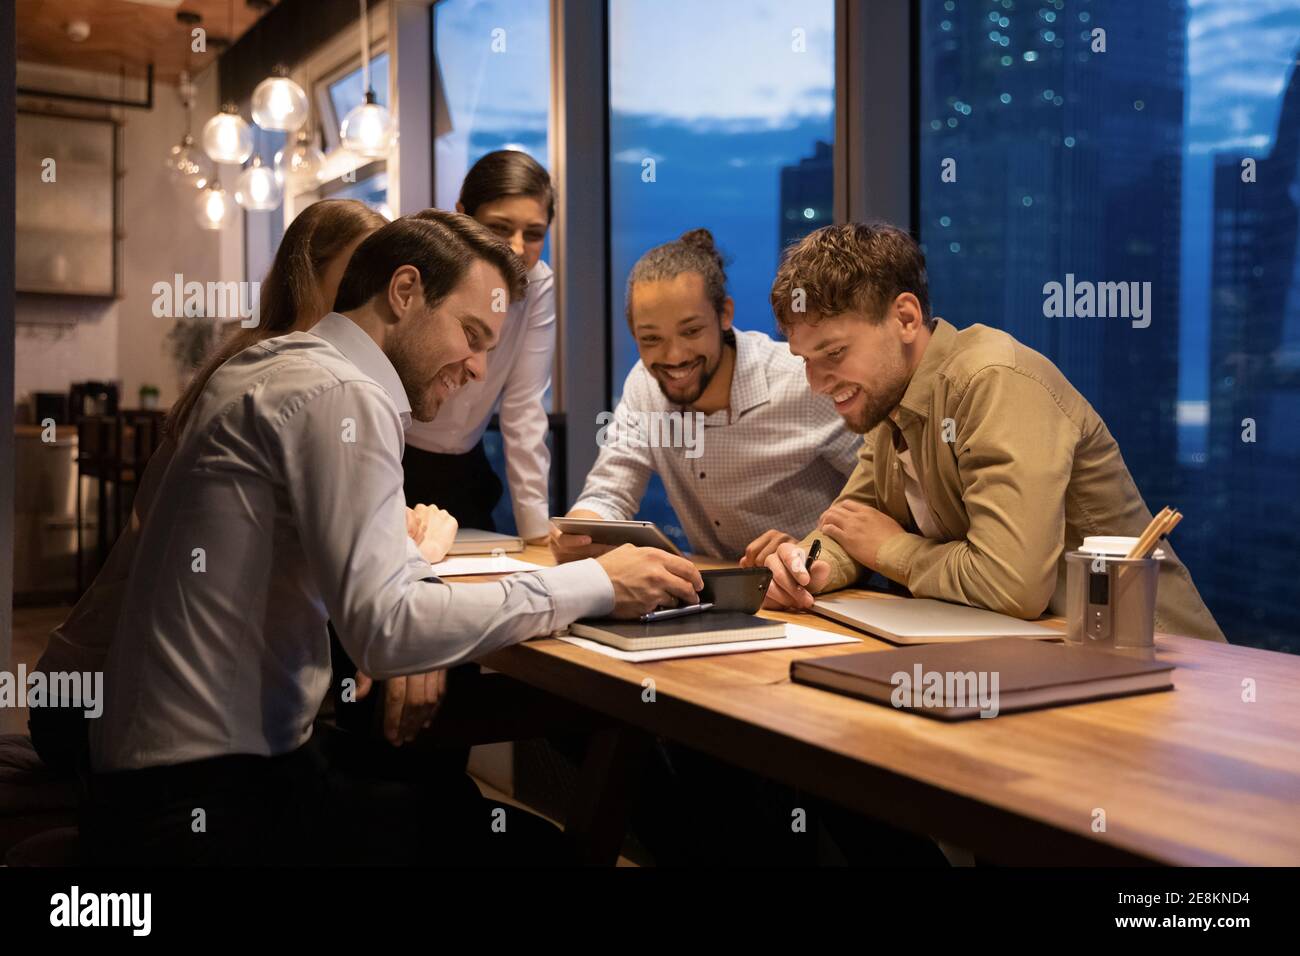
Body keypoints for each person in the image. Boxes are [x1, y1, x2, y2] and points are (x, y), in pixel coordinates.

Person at [78, 212, 704, 865]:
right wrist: (600, 583)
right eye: (471, 334)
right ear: (404, 292)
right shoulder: (340, 392)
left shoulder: (277, 368)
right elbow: (387, 628)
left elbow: (372, 585)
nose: (479, 367)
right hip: (203, 805)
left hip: (164, 779)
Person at [28, 199, 462, 775]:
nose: (377, 298)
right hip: (87, 702)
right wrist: (418, 557)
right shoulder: (288, 386)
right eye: (361, 274)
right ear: (311, 278)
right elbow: (369, 592)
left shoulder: (299, 378)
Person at [750, 221, 1225, 644]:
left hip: (1156, 664)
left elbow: (1009, 584)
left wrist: (890, 549)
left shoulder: (994, 380)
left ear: (906, 318)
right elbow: (850, 527)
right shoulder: (891, 402)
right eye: (806, 361)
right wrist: (804, 568)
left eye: (833, 354)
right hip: (1042, 655)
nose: (816, 384)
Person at [550, 228, 860, 563]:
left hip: (823, 590)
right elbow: (609, 491)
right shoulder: (644, 384)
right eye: (651, 339)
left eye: (691, 331)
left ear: (725, 314)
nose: (674, 356)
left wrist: (810, 548)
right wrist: (583, 530)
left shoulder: (805, 382)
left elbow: (879, 499)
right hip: (716, 593)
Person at [402, 150, 557, 540]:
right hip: (394, 454)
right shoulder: (423, 275)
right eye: (500, 228)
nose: (517, 248)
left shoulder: (537, 285)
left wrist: (537, 534)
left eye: (534, 233)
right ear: (462, 216)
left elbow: (523, 410)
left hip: (466, 468)